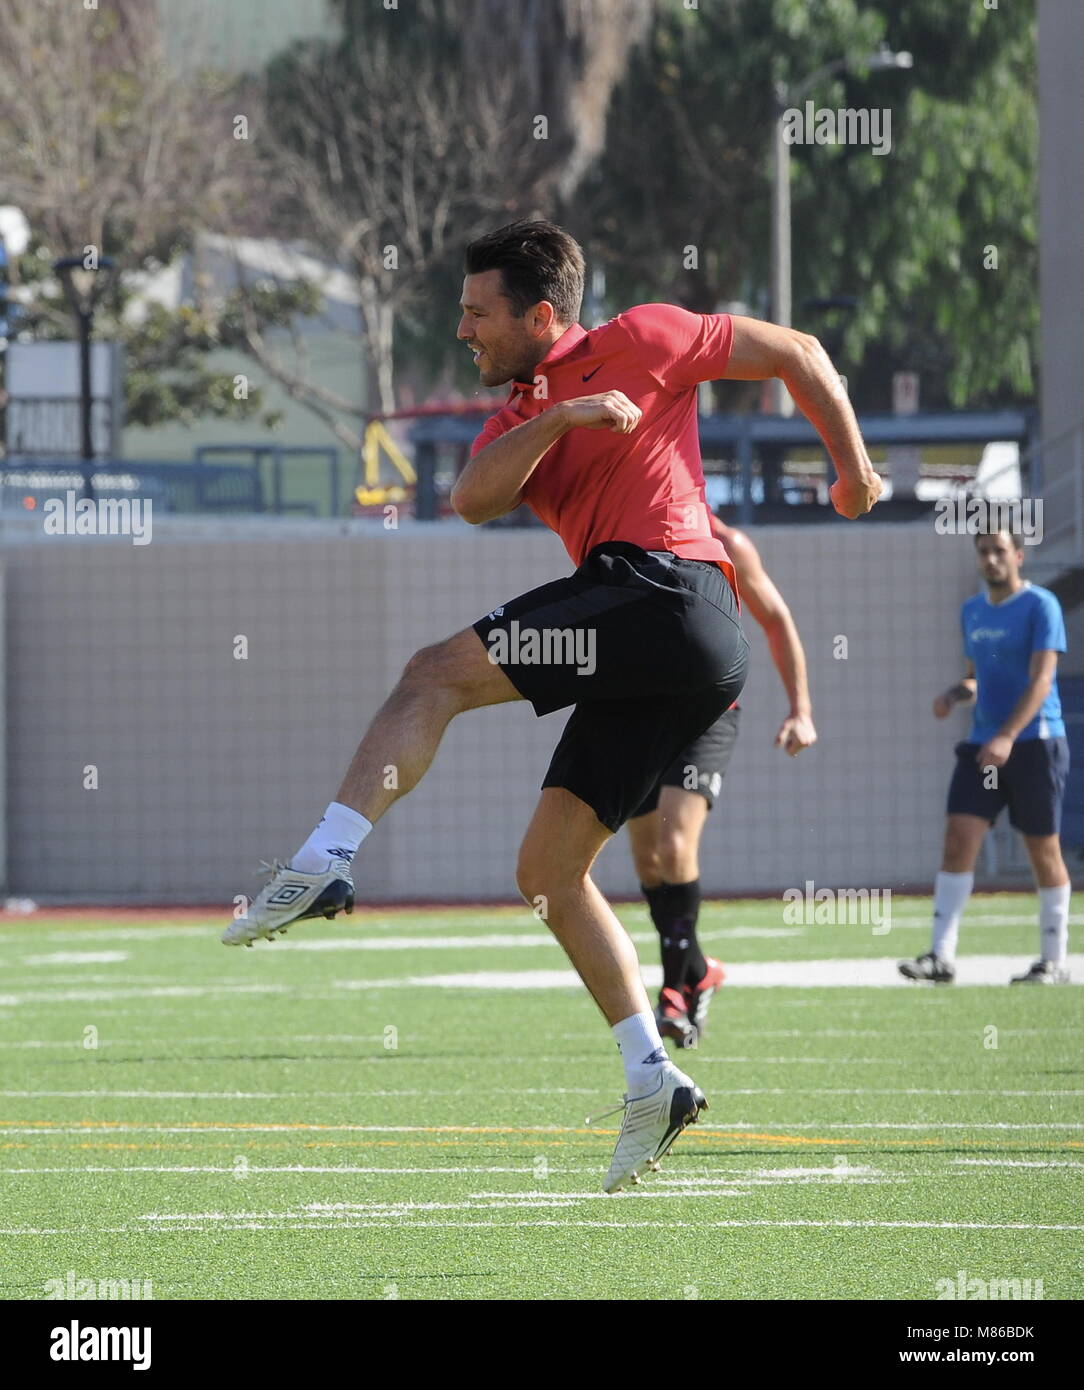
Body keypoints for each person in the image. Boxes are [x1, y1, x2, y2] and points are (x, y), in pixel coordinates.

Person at [223, 220, 882, 1191]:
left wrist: (854, 469)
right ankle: (651, 1076)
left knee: (430, 674)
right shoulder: (516, 417)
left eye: (476, 312)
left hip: (665, 593)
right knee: (546, 870)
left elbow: (800, 353)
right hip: (666, 647)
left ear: (541, 314)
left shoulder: (649, 336)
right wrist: (565, 419)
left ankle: (326, 857)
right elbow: (473, 499)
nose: (462, 332)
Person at [627, 514, 817, 1047]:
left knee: (674, 844)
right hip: (638, 717)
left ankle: (672, 993)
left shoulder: (728, 544)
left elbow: (776, 620)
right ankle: (700, 970)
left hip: (706, 715)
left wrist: (800, 709)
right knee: (646, 859)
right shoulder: (622, 530)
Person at [899, 528, 1071, 986]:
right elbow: (976, 677)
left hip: (1035, 742)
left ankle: (1052, 961)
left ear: (1017, 555)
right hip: (982, 745)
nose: (991, 559)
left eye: (1000, 551)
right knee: (958, 838)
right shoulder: (972, 611)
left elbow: (1040, 681)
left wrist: (1009, 735)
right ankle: (940, 957)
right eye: (983, 552)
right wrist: (953, 695)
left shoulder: (1041, 607)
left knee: (1042, 849)